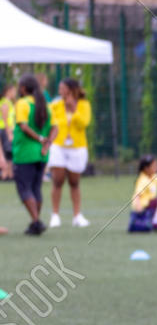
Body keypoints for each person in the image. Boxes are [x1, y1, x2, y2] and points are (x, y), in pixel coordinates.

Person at [11, 73, 54, 235]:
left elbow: (23, 126)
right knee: (36, 188)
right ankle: (35, 222)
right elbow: (55, 127)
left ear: (23, 88)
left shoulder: (22, 103)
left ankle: (36, 221)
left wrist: (40, 139)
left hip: (25, 153)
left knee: (24, 188)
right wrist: (47, 143)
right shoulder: (46, 104)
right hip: (42, 154)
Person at [47, 77, 91, 227]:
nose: (60, 91)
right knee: (57, 180)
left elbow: (84, 123)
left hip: (77, 147)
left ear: (71, 90)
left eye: (62, 88)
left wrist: (73, 109)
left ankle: (77, 216)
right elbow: (50, 122)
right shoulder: (56, 105)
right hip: (58, 146)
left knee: (74, 182)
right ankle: (55, 215)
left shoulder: (83, 105)